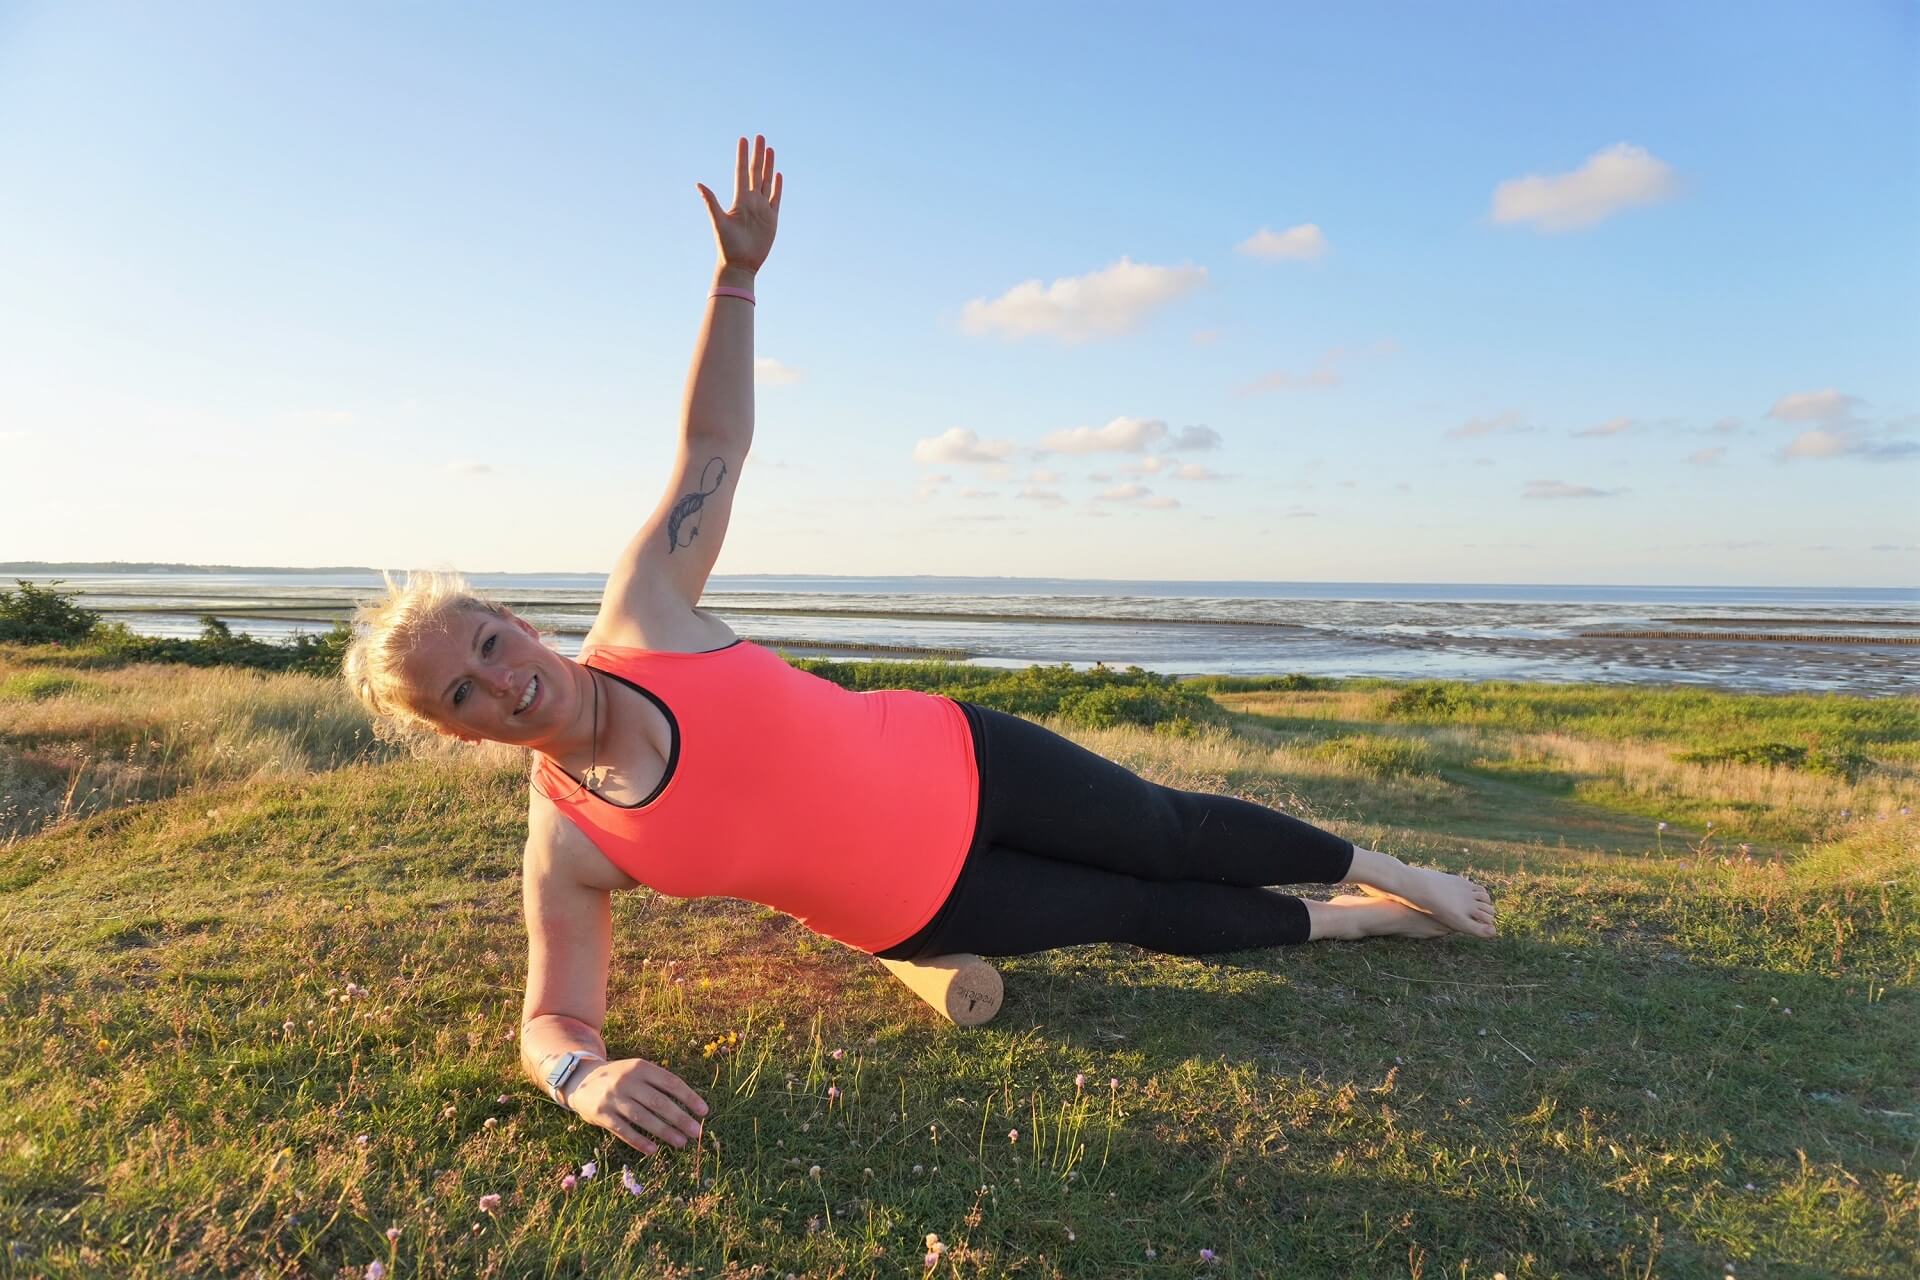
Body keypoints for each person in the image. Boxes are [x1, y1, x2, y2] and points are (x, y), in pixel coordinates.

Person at [340, 134, 1497, 1159]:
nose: (501, 679)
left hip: (962, 754)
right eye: (465, 692)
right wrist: (584, 1078)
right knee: (1134, 908)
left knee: (1164, 827)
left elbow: (713, 443)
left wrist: (735, 278)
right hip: (924, 906)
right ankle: (1354, 926)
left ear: (515, 617)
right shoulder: (572, 839)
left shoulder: (646, 606)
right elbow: (551, 1020)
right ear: (458, 730)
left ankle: (1400, 875)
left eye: (488, 640)